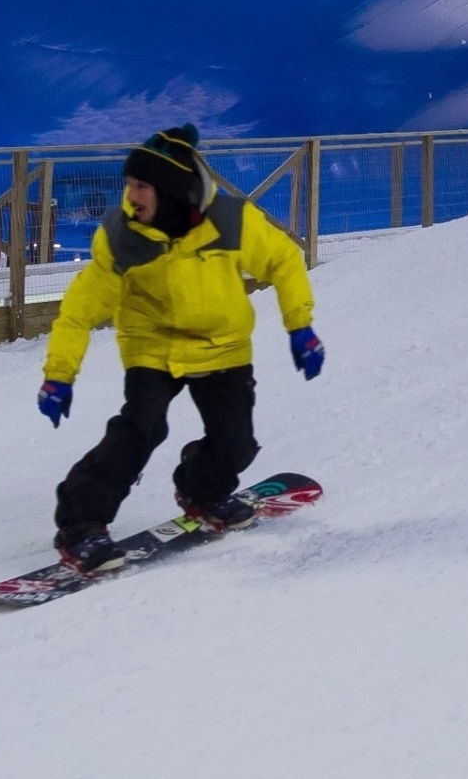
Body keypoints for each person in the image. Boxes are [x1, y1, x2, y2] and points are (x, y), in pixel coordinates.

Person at [36, 123, 326, 574]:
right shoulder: (122, 237)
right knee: (141, 428)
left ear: (171, 190)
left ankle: (202, 490)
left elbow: (284, 259)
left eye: (142, 186)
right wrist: (59, 374)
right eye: (129, 184)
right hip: (154, 348)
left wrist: (300, 326)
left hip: (222, 346)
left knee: (236, 442)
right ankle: (81, 526)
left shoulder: (231, 221)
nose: (131, 196)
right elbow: (79, 311)